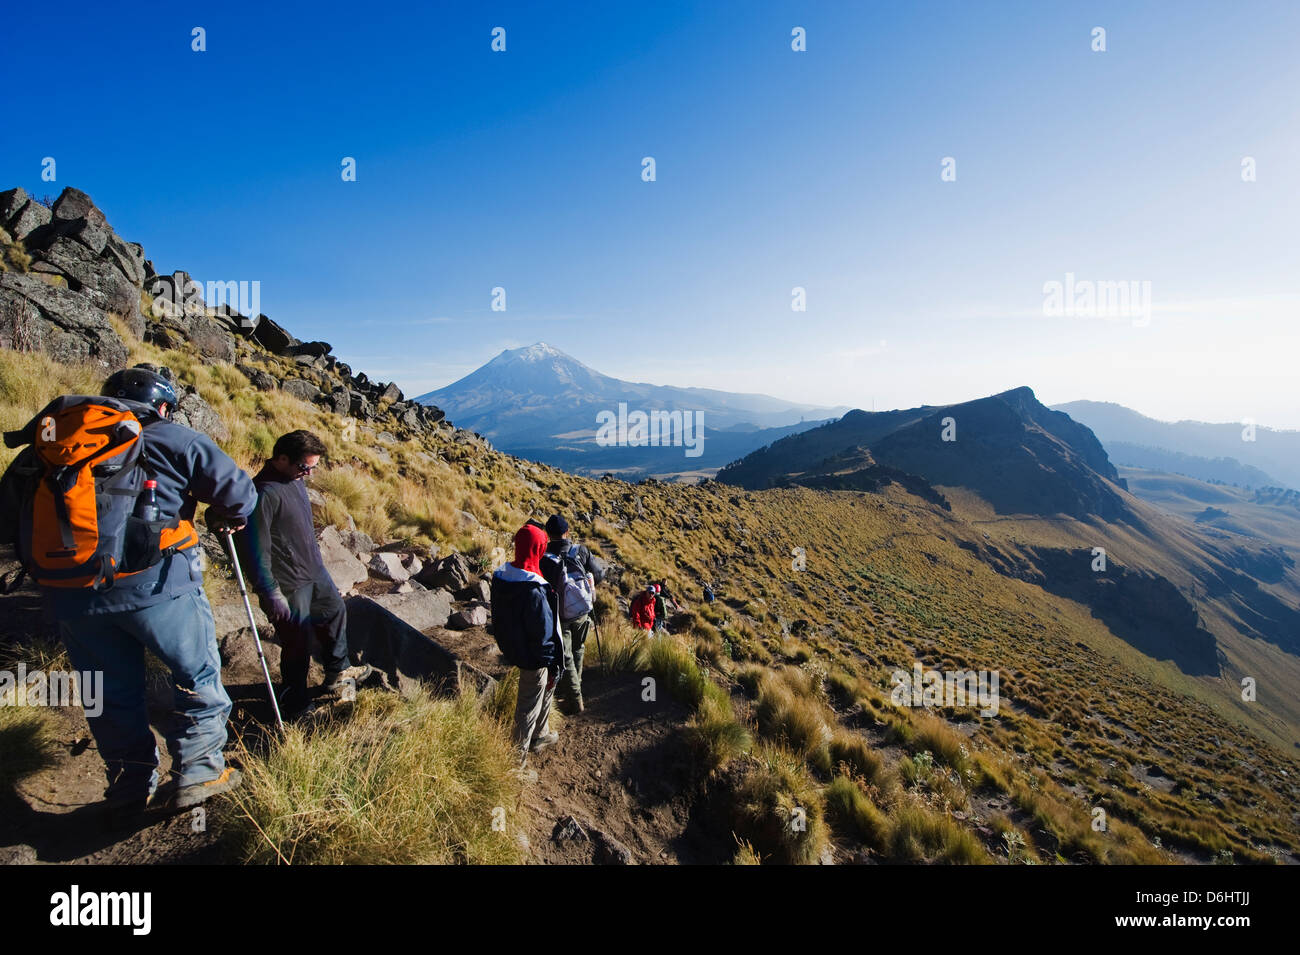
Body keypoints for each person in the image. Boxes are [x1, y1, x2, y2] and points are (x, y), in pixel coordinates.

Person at [0, 365, 256, 821]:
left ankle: (128, 785)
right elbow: (239, 494)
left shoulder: (54, 446)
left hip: (74, 593)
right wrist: (224, 515)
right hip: (158, 586)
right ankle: (199, 771)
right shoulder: (175, 437)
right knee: (195, 676)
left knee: (109, 692)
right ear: (162, 405)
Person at [237, 430, 369, 715]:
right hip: (287, 583)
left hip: (313, 571)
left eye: (313, 468)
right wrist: (269, 593)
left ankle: (338, 674)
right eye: (304, 467)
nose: (308, 474)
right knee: (297, 642)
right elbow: (254, 551)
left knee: (335, 613)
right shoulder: (262, 493)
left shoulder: (293, 480)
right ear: (282, 458)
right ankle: (294, 698)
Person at [490, 522, 565, 763]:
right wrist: (550, 662)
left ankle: (540, 734)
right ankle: (515, 762)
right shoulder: (535, 588)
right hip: (534, 658)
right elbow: (543, 632)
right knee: (527, 707)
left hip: (514, 647)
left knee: (540, 693)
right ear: (539, 549)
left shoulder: (502, 577)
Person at [539, 513, 605, 714]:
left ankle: (575, 698)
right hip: (582, 611)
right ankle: (577, 685)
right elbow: (600, 574)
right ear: (567, 532)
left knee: (566, 655)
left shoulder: (544, 559)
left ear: (549, 535)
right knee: (578, 648)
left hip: (560, 615)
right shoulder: (580, 551)